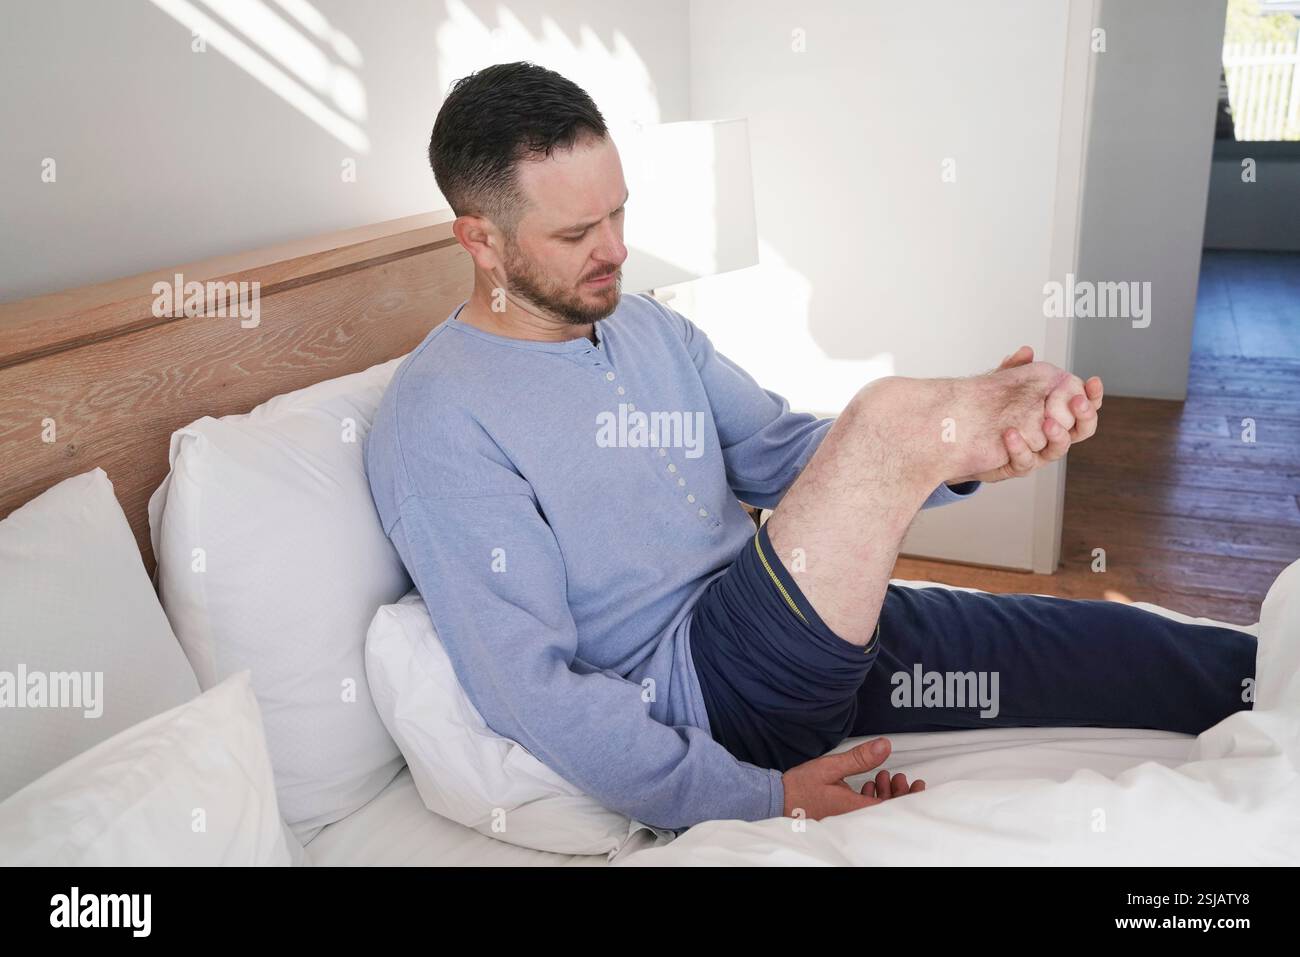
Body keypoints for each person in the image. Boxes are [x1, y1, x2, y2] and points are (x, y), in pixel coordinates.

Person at [364, 62, 1256, 831]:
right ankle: (934, 436)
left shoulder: (645, 326)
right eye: (575, 235)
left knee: (1099, 646)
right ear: (479, 238)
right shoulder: (440, 420)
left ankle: (1263, 675)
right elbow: (533, 691)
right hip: (709, 693)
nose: (617, 249)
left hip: (792, 614)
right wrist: (762, 798)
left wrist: (957, 467)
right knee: (883, 420)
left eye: (618, 214)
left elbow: (782, 450)